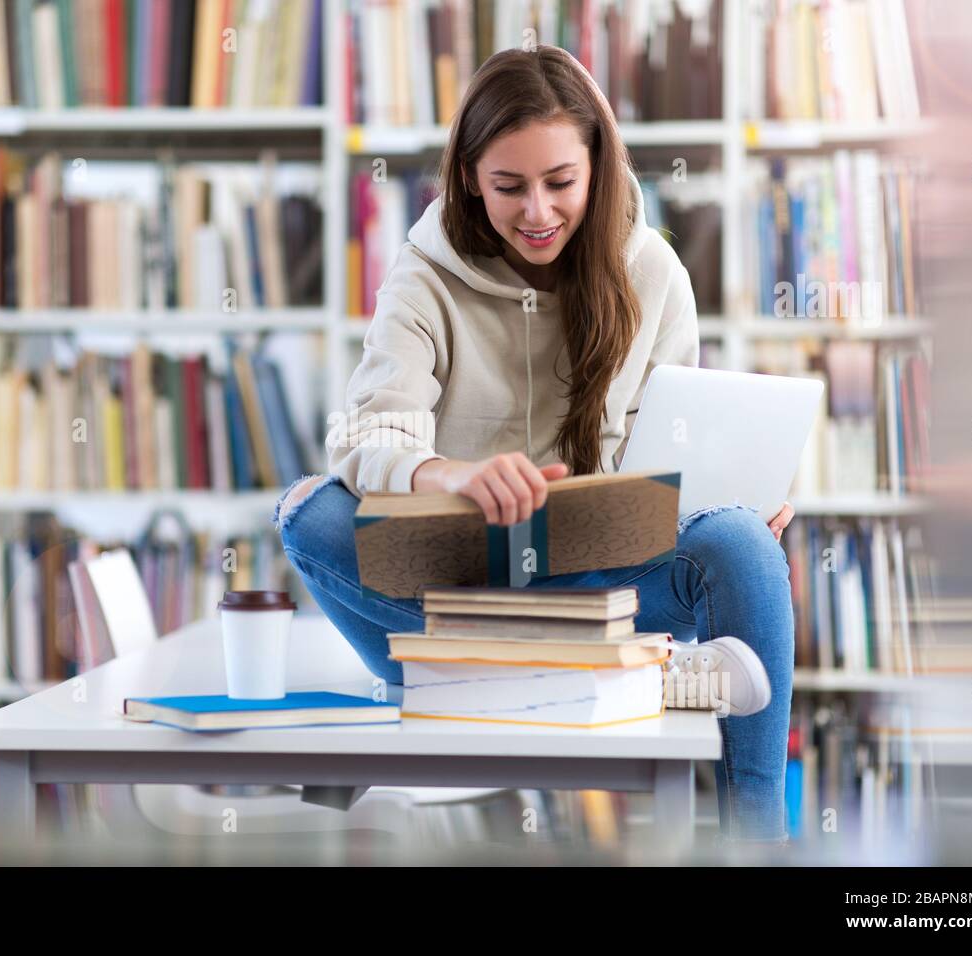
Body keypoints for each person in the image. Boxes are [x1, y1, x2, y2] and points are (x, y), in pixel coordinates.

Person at [273, 46, 794, 843]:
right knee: (307, 511)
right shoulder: (424, 277)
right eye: (508, 186)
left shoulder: (653, 273)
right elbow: (368, 433)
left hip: (598, 589)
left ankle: (756, 848)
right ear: (471, 179)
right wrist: (448, 473)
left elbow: (673, 449)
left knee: (742, 546)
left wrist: (732, 501)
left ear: (598, 167)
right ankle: (584, 672)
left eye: (561, 182)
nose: (538, 212)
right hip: (454, 593)